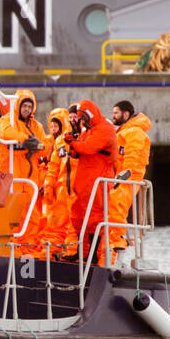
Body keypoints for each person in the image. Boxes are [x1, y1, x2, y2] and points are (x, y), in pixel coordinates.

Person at [65, 99, 117, 261]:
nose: (82, 121)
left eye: (83, 118)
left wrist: (72, 142)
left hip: (98, 179)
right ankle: (82, 252)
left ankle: (94, 255)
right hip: (84, 181)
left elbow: (88, 147)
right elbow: (80, 148)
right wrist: (73, 147)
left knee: (95, 216)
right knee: (78, 215)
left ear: (89, 115)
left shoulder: (104, 129)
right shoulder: (89, 129)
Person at [0, 89, 48, 249]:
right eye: (24, 105)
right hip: (12, 176)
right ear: (18, 106)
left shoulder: (37, 126)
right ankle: (12, 245)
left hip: (30, 178)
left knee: (32, 215)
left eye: (29, 106)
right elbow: (4, 133)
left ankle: (28, 247)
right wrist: (25, 139)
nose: (27, 109)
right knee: (13, 213)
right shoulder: (7, 120)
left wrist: (38, 145)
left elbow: (46, 148)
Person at [107, 100, 152, 265]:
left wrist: (126, 173)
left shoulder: (134, 132)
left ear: (126, 114)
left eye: (116, 113)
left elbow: (133, 155)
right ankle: (111, 249)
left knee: (115, 204)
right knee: (109, 205)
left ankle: (117, 244)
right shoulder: (123, 132)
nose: (113, 117)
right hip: (119, 177)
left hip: (128, 178)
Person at [38, 107, 78, 257]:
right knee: (54, 224)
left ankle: (74, 254)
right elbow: (53, 165)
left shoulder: (84, 138)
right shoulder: (60, 142)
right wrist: (48, 184)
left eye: (76, 117)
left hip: (77, 191)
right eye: (71, 117)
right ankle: (50, 252)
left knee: (75, 226)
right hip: (60, 191)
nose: (73, 120)